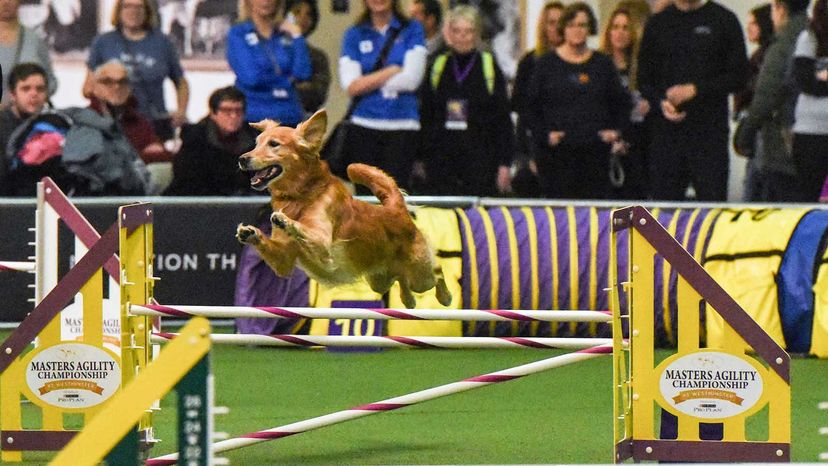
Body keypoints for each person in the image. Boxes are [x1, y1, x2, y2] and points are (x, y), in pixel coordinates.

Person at [637, 0, 747, 201]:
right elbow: (644, 79)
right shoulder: (658, 23)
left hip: (708, 135)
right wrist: (661, 101)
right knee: (664, 211)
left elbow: (738, 77)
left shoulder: (723, 20)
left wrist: (696, 90)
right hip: (666, 134)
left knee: (712, 206)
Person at [527, 2, 631, 200]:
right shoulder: (546, 64)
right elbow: (531, 108)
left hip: (595, 154)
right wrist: (544, 136)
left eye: (582, 25)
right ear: (563, 28)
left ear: (590, 28)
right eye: (572, 25)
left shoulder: (603, 64)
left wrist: (617, 132)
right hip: (556, 155)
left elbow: (622, 103)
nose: (577, 30)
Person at [418, 5, 512, 196]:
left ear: (476, 34)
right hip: (441, 160)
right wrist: (420, 157)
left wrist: (504, 163)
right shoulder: (438, 65)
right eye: (457, 31)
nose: (462, 37)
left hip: (481, 160)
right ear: (449, 33)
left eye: (468, 31)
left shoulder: (489, 67)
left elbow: (502, 119)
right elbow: (426, 115)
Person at [336, 0, 427, 191]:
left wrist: (367, 82)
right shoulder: (354, 33)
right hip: (364, 125)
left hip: (403, 126)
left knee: (396, 197)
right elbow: (351, 85)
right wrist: (392, 70)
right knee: (365, 199)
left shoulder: (412, 29)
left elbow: (411, 80)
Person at [734, 0, 809, 202]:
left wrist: (745, 133)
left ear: (780, 9)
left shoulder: (782, 45)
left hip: (781, 141)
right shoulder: (815, 36)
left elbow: (766, 95)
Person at [84, 0, 190, 140]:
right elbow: (87, 89)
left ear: (147, 11)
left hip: (154, 123)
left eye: (139, 7)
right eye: (127, 6)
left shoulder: (162, 42)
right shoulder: (103, 42)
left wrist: (181, 111)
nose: (133, 11)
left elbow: (181, 82)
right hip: (113, 125)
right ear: (118, 11)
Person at [61, 61, 154, 196]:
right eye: (107, 82)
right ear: (94, 87)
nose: (116, 87)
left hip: (136, 199)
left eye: (123, 82)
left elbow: (159, 156)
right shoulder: (80, 123)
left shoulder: (142, 123)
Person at [227, 0, 311, 127]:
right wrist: (287, 82)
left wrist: (298, 36)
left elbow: (303, 73)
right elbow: (251, 78)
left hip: (290, 115)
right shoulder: (238, 33)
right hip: (254, 117)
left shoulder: (286, 32)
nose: (265, 1)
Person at [164, 86, 260, 196]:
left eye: (238, 111)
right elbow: (186, 181)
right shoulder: (194, 139)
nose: (233, 116)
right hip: (198, 202)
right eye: (226, 111)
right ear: (213, 113)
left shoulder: (256, 140)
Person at [510, 1, 564, 197]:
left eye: (561, 22)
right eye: (551, 22)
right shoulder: (530, 61)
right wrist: (529, 154)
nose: (556, 28)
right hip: (534, 140)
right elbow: (520, 107)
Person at [599, 5, 651, 199]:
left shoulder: (642, 69)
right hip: (606, 146)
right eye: (615, 27)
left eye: (625, 27)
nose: (619, 33)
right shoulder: (599, 67)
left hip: (637, 147)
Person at [733, 3, 773, 202]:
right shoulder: (757, 57)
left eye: (754, 23)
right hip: (756, 130)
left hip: (761, 131)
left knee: (753, 188)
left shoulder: (766, 58)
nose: (749, 28)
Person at [791, 0, 828, 202]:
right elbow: (805, 82)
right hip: (810, 131)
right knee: (807, 196)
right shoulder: (809, 38)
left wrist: (822, 77)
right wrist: (819, 81)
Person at [0, 62, 50, 195]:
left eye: (40, 89)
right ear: (12, 94)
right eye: (26, 88)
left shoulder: (54, 127)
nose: (34, 94)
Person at [0, 0, 57, 104]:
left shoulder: (34, 39)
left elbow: (51, 82)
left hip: (27, 116)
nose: (6, 2)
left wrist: (32, 97)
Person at [287, 0, 331, 115]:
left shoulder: (318, 57)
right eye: (297, 12)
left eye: (308, 14)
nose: (302, 18)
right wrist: (301, 85)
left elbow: (317, 96)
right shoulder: (267, 51)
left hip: (302, 124)